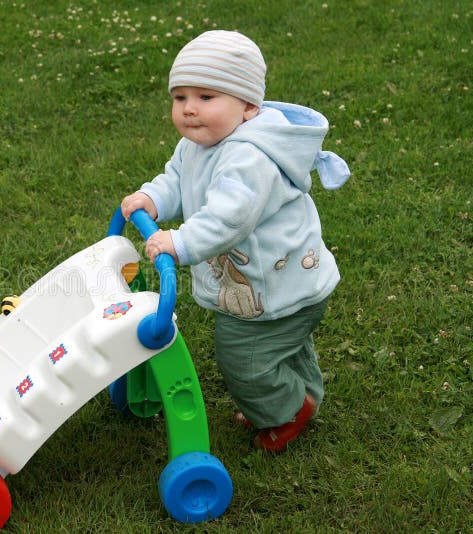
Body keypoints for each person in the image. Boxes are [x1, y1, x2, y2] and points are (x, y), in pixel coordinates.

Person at [120, 30, 349, 452]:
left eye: (206, 97)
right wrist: (154, 197)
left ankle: (284, 410)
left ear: (247, 106)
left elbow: (230, 218)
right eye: (180, 97)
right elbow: (177, 178)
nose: (189, 109)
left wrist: (179, 242)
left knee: (243, 357)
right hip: (285, 282)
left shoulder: (250, 158)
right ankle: (301, 395)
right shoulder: (198, 143)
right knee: (286, 345)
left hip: (268, 287)